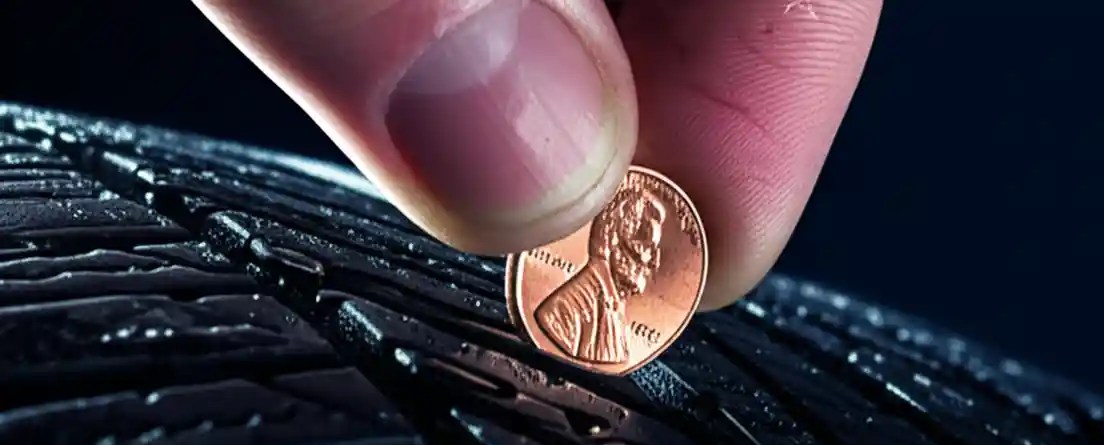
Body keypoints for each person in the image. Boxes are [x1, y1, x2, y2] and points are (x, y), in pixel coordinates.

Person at [192, 0, 882, 310]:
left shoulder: (599, 304)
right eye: (640, 236)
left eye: (641, 236)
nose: (646, 250)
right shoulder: (572, 309)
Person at [535, 180, 666, 363]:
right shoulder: (562, 313)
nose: (654, 261)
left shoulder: (616, 312)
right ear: (613, 236)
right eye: (646, 244)